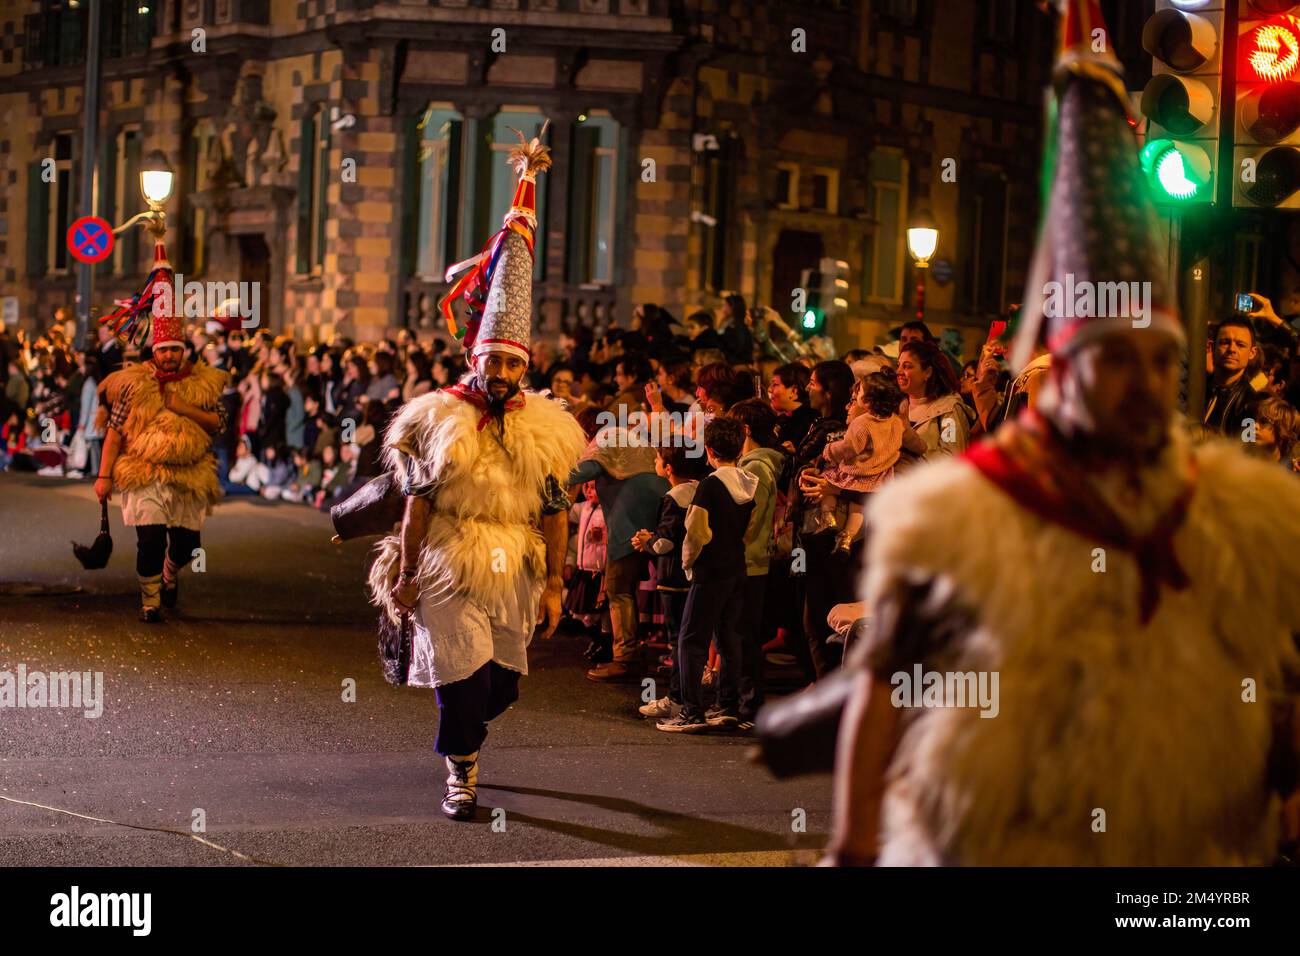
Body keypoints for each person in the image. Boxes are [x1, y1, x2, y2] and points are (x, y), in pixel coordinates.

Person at [825, 7, 1300, 866]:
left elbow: (1274, 678)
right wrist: (856, 843)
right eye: (1121, 364)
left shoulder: (1232, 511)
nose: (1147, 387)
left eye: (1162, 364)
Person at [360, 127, 585, 821]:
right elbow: (417, 500)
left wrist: (554, 583)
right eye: (492, 361)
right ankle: (461, 771)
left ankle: (470, 736)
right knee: (459, 675)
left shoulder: (544, 428)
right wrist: (404, 567)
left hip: (513, 560)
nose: (501, 373)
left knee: (502, 683)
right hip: (449, 560)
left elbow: (554, 508)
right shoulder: (440, 417)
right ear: (476, 359)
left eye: (513, 363)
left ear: (527, 365)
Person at [94, 274, 230, 623]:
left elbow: (219, 423)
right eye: (163, 350)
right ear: (154, 352)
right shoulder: (134, 386)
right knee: (150, 541)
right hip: (145, 471)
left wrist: (182, 407)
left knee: (187, 545)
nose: (169, 356)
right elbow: (115, 432)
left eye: (175, 349)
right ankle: (150, 601)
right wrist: (104, 476)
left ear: (183, 351)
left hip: (189, 473)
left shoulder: (203, 383)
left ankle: (171, 572)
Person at [657, 417, 757, 734]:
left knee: (691, 640)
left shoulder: (710, 485)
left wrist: (689, 565)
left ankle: (692, 710)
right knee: (728, 638)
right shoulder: (747, 483)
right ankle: (728, 705)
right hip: (737, 567)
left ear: (709, 450)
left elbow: (696, 532)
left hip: (710, 570)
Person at [632, 444, 705, 721]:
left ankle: (677, 699)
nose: (655, 461)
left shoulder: (674, 497)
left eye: (658, 459)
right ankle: (692, 697)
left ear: (669, 468)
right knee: (694, 639)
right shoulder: (701, 490)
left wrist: (646, 541)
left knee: (678, 641)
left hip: (674, 576)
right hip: (697, 573)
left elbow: (665, 543)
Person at [727, 399, 785, 730]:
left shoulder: (755, 469)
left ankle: (748, 705)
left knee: (743, 636)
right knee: (740, 635)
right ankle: (742, 701)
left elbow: (748, 518)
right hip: (750, 560)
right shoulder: (755, 465)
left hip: (748, 562)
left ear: (745, 430)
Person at [897, 340, 973, 459]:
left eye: (907, 366)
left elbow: (952, 458)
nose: (899, 372)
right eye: (899, 365)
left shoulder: (948, 410)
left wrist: (915, 448)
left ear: (927, 372)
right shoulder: (895, 405)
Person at [564, 481, 610, 661]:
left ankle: (605, 646)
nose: (590, 491)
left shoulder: (609, 510)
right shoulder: (583, 507)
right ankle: (598, 640)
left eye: (594, 487)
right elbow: (565, 506)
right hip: (584, 568)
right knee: (583, 613)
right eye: (587, 487)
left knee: (602, 612)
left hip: (599, 569)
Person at [1204, 315, 1265, 439]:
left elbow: (1246, 448)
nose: (1232, 349)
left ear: (1252, 353)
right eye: (1225, 342)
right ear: (1212, 346)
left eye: (1240, 345)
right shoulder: (1196, 387)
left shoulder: (1253, 403)